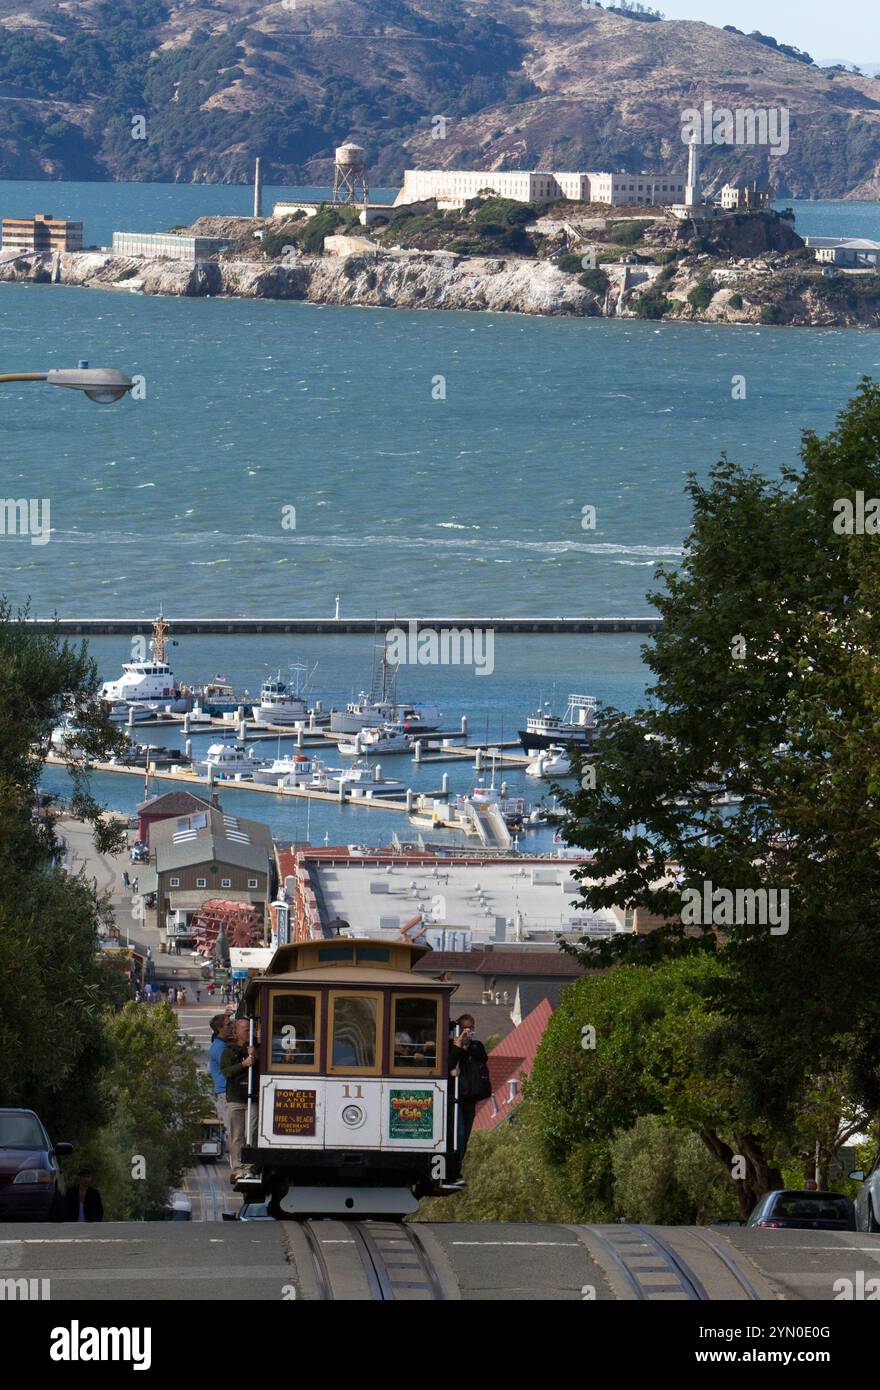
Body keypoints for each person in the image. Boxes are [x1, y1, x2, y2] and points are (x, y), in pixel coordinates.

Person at [448, 1014, 490, 1185]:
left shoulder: (476, 1046)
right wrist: (457, 1047)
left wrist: (466, 1045)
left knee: (465, 1138)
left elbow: (482, 1056)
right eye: (465, 1028)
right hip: (456, 1097)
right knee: (458, 1134)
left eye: (471, 1028)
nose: (468, 1032)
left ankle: (457, 1169)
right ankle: (452, 1171)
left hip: (470, 1098)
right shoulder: (451, 1047)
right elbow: (449, 1063)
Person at [221, 1018, 257, 1182]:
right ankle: (238, 1168)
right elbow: (227, 1072)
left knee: (252, 1131)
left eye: (250, 1029)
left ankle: (250, 1165)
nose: (248, 1032)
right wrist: (244, 1064)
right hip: (236, 1098)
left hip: (253, 1097)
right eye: (245, 1029)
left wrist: (255, 1055)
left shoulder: (255, 1049)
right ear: (237, 1032)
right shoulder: (229, 1051)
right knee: (237, 1135)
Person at [209, 1013, 232, 1138]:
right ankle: (234, 1158)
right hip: (224, 1092)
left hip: (225, 1091)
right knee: (231, 1131)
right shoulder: (219, 1048)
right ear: (220, 1029)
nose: (231, 1027)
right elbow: (229, 1068)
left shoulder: (222, 1044)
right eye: (228, 1025)